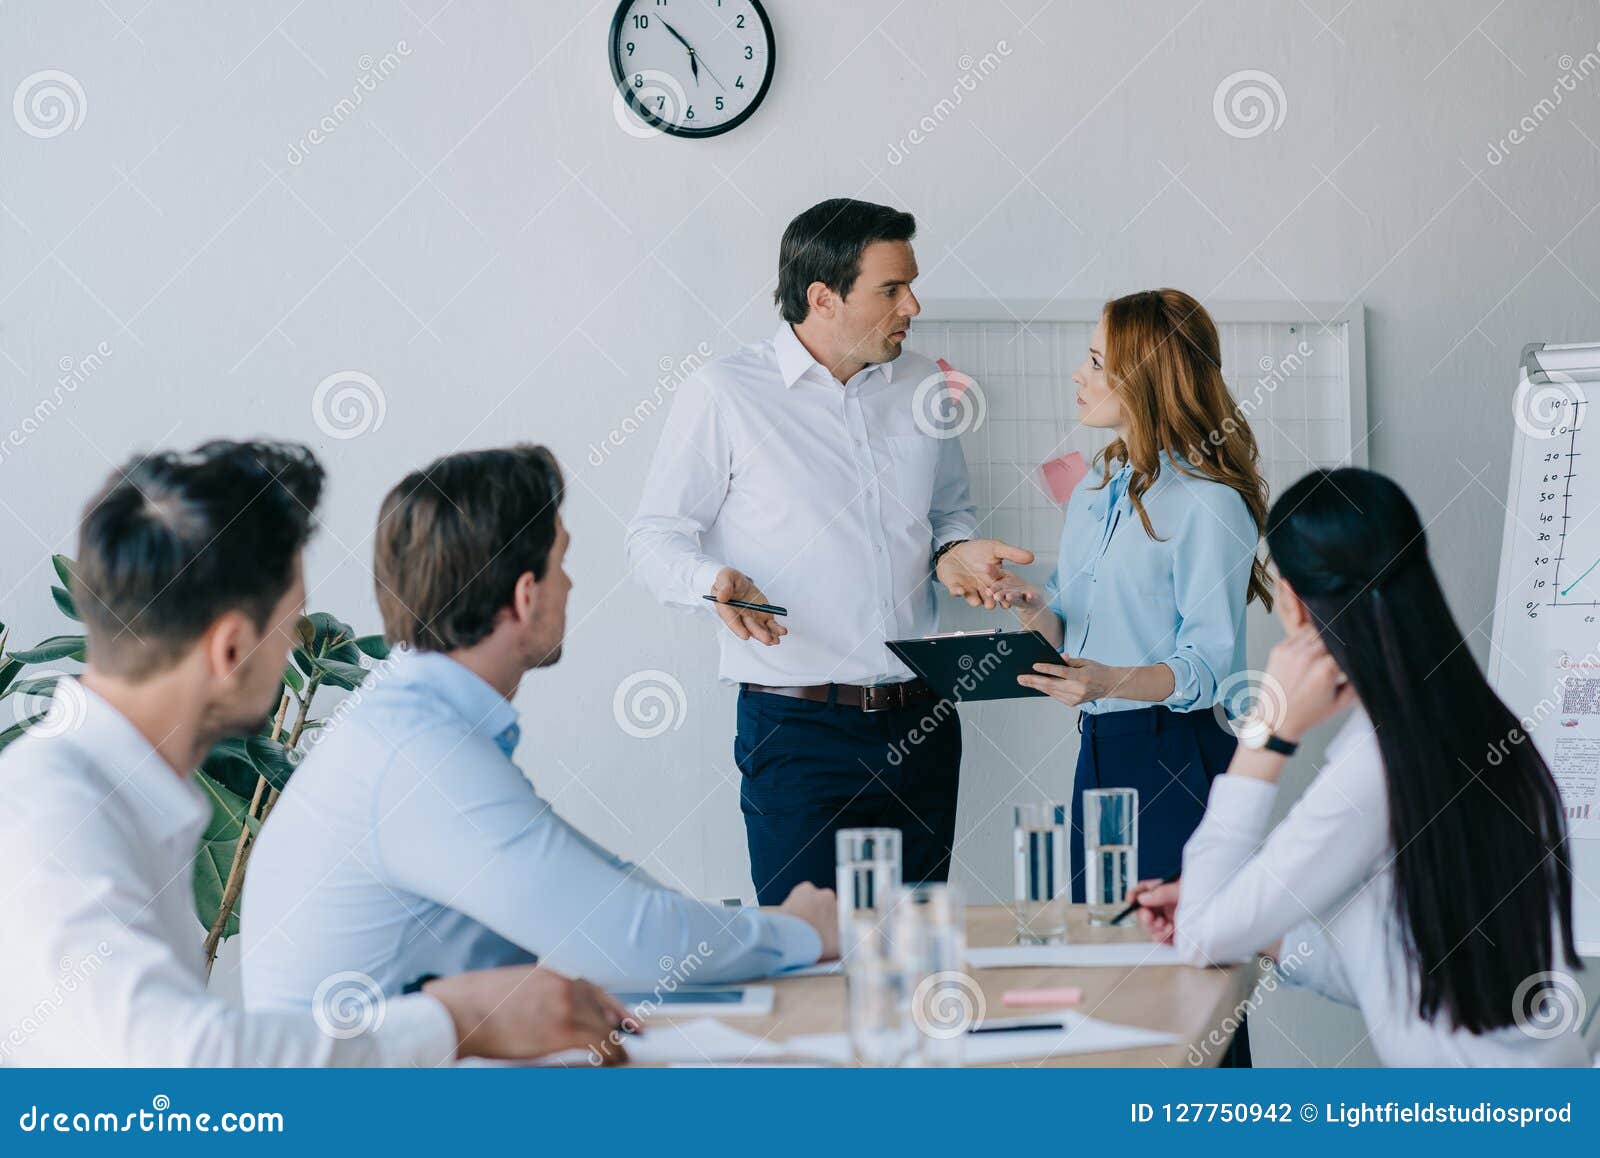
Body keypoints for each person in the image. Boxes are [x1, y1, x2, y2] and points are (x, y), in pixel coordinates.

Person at [0, 441, 630, 1067]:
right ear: (230, 650)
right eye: (290, 625)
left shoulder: (103, 798)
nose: (294, 650)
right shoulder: (54, 816)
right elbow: (189, 1067)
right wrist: (454, 1021)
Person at [242, 446, 838, 1013]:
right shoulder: (419, 754)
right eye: (561, 564)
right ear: (526, 596)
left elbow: (605, 889)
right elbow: (624, 938)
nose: (571, 585)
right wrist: (800, 931)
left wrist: (755, 926)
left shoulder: (412, 725)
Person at [624, 197, 1032, 903]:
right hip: (798, 732)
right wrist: (712, 581)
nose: (913, 306)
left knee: (914, 948)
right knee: (807, 953)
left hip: (924, 722)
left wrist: (955, 551)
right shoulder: (725, 393)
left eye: (910, 286)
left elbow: (947, 512)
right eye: (891, 289)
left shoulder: (924, 386)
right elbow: (653, 534)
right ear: (823, 297)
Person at [1132, 467, 1588, 1066]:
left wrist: (1268, 734)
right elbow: (1403, 978)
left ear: (1292, 603)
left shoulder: (1374, 765)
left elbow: (1199, 937)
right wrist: (1261, 928)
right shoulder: (1477, 724)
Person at [996, 289, 1271, 897]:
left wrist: (1108, 682)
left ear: (1150, 378)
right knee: (1097, 942)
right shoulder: (1097, 485)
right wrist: (1028, 604)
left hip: (1179, 753)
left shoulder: (1210, 502)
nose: (1079, 374)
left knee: (1176, 950)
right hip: (1099, 748)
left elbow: (1208, 670)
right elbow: (1068, 624)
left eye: (1097, 363)